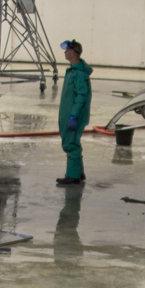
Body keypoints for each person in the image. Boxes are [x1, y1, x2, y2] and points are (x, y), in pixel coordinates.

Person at [56, 39, 91, 186]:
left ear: (73, 52)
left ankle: (72, 176)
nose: (65, 52)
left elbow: (81, 96)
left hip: (73, 115)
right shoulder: (72, 71)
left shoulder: (79, 74)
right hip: (68, 113)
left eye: (67, 50)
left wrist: (74, 115)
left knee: (71, 143)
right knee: (73, 141)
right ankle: (78, 173)